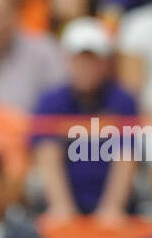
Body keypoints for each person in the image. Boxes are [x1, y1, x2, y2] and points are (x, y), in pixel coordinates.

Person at [29, 17, 138, 218]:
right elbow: (47, 153)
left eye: (93, 59)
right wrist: (62, 208)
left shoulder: (123, 100)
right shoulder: (51, 101)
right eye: (79, 59)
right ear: (68, 60)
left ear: (104, 62)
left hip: (115, 206)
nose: (86, 66)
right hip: (62, 202)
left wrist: (112, 209)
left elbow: (126, 155)